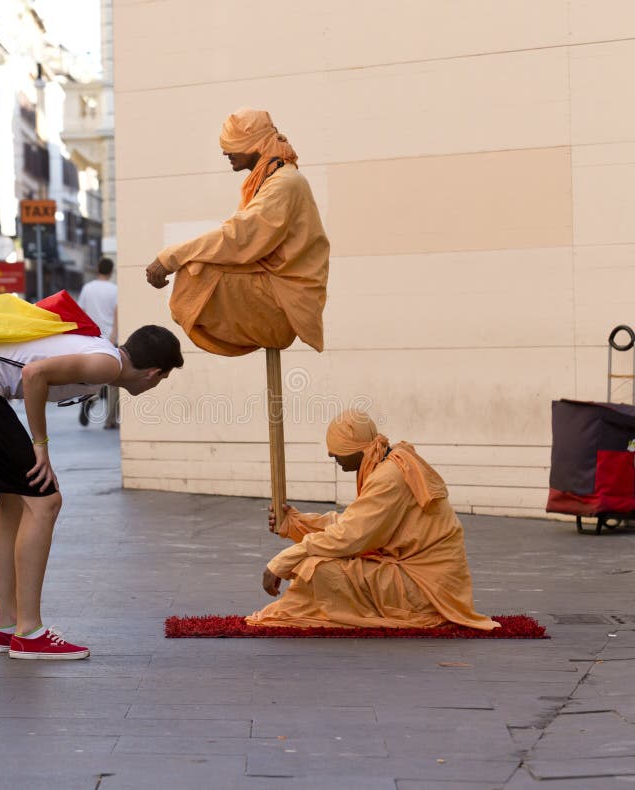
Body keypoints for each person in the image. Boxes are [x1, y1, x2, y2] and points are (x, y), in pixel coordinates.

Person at [0, 296, 183, 660]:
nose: (157, 385)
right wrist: (40, 446)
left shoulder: (101, 354)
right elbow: (33, 375)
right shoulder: (106, 364)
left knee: (13, 502)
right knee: (46, 501)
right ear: (154, 373)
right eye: (163, 379)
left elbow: (28, 371)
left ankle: (9, 628)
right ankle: (29, 632)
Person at [248, 408, 499, 632]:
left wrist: (282, 560)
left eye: (336, 452)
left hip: (425, 591)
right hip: (425, 579)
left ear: (355, 449)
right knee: (319, 562)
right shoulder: (389, 464)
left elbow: (349, 536)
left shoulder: (389, 476)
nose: (332, 457)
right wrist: (296, 523)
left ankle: (355, 612)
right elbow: (354, 522)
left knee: (316, 567)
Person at [145, 108, 329, 356]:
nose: (224, 152)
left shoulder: (284, 183)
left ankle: (250, 331)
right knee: (199, 265)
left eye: (232, 144)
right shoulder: (271, 179)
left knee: (195, 271)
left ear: (256, 143)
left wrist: (170, 257)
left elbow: (238, 238)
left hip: (285, 301)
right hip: (272, 285)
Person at [78, 257, 119, 428]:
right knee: (114, 380)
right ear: (111, 271)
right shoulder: (115, 289)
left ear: (97, 270)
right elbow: (117, 315)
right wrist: (113, 337)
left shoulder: (88, 288)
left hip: (91, 339)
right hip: (109, 339)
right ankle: (110, 420)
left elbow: (82, 313)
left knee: (92, 375)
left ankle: (90, 397)